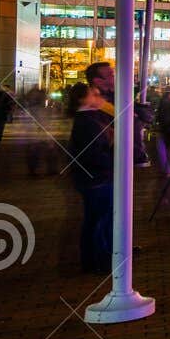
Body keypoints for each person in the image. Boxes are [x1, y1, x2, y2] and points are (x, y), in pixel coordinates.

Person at [66, 78, 113, 275]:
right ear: (83, 99)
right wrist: (113, 162)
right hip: (96, 177)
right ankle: (99, 259)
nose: (98, 96)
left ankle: (95, 258)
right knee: (100, 219)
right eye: (93, 94)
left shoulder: (90, 118)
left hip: (93, 176)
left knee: (95, 218)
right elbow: (92, 153)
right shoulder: (87, 122)